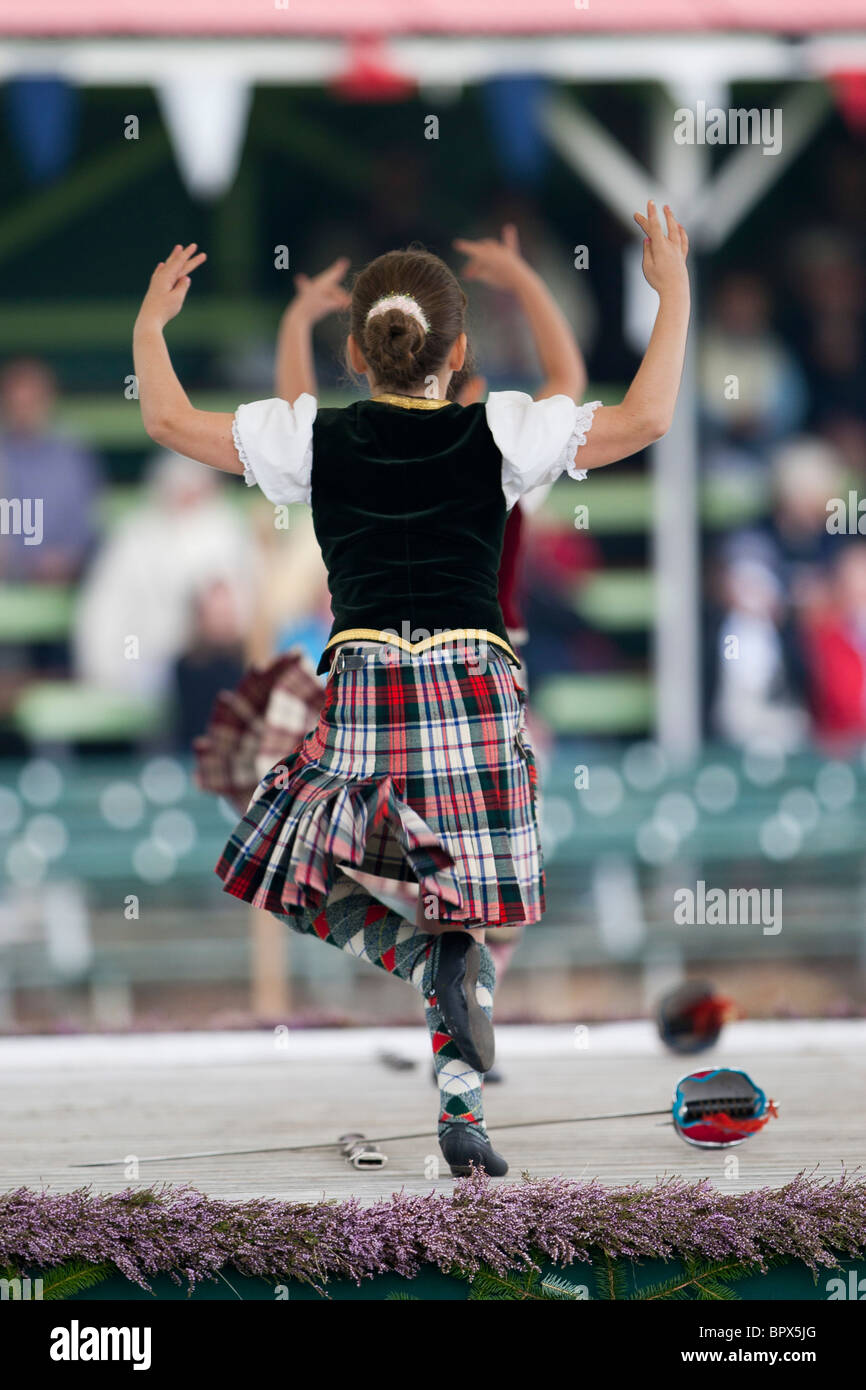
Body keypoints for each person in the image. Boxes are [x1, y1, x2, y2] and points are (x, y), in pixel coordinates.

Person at [132, 202, 690, 1175]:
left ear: (355, 349)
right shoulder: (503, 432)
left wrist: (151, 322)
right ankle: (458, 1086)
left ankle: (423, 982)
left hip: (364, 692)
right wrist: (670, 286)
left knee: (284, 870)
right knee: (461, 906)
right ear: (460, 345)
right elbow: (645, 416)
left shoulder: (316, 441)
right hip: (473, 683)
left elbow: (167, 419)